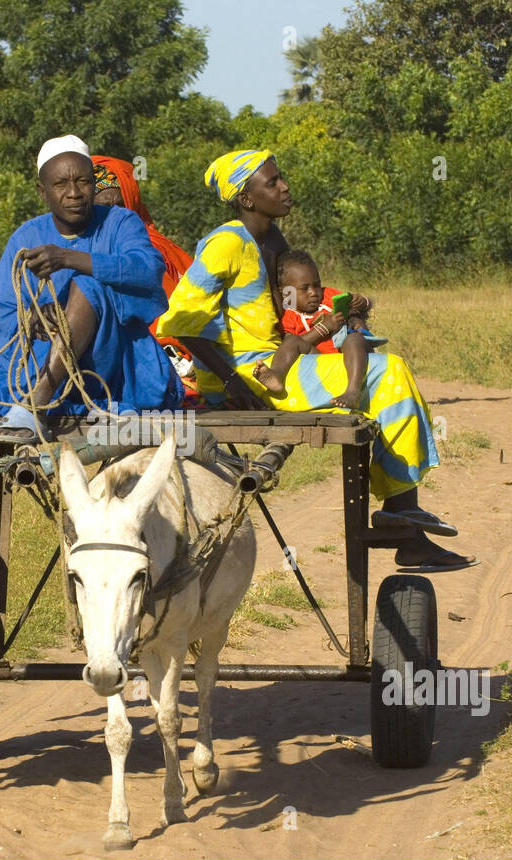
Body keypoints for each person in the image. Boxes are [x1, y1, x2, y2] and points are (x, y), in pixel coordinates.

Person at [155, 149, 475, 571]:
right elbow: (180, 320)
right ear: (247, 199)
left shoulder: (274, 242)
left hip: (282, 360)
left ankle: (404, 518)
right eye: (272, 183)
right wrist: (230, 381)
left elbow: (294, 309)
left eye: (280, 177)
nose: (284, 186)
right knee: (388, 371)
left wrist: (343, 308)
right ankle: (404, 521)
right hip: (256, 372)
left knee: (378, 360)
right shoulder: (225, 244)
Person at [0, 136, 181, 457]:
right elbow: (2, 317)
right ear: (43, 192)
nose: (74, 193)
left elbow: (148, 271)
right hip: (36, 367)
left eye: (83, 182)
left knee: (89, 286)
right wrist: (34, 320)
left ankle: (35, 408)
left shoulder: (121, 222)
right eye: (61, 184)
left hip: (113, 373)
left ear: (93, 185)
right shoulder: (26, 236)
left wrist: (69, 259)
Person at [251, 248, 377, 409]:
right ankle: (276, 375)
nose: (313, 293)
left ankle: (353, 392)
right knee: (291, 341)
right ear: (286, 293)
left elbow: (364, 303)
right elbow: (298, 343)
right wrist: (324, 327)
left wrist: (362, 302)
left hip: (347, 351)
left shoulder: (328, 296)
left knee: (353, 339)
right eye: (304, 288)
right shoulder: (290, 317)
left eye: (316, 285)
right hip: (319, 357)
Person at [90, 155, 192, 298]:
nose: (114, 214)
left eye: (120, 205)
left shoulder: (148, 247)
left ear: (131, 206)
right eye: (104, 207)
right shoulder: (80, 247)